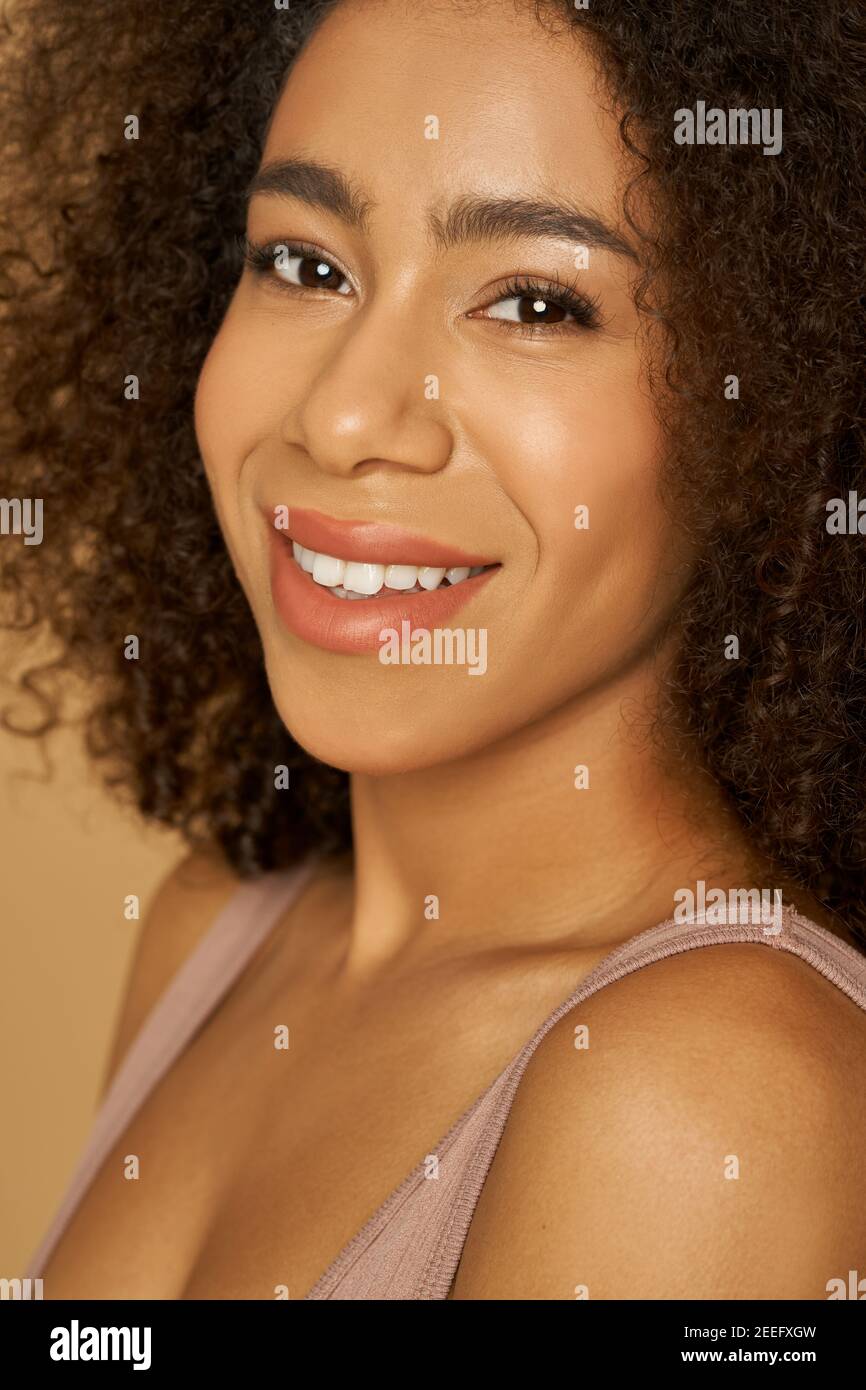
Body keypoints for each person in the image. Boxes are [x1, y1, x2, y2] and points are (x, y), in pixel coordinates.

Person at [2, 0, 865, 1300]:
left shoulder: (703, 1095)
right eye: (304, 263)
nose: (346, 413)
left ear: (773, 413)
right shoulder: (214, 935)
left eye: (532, 301)